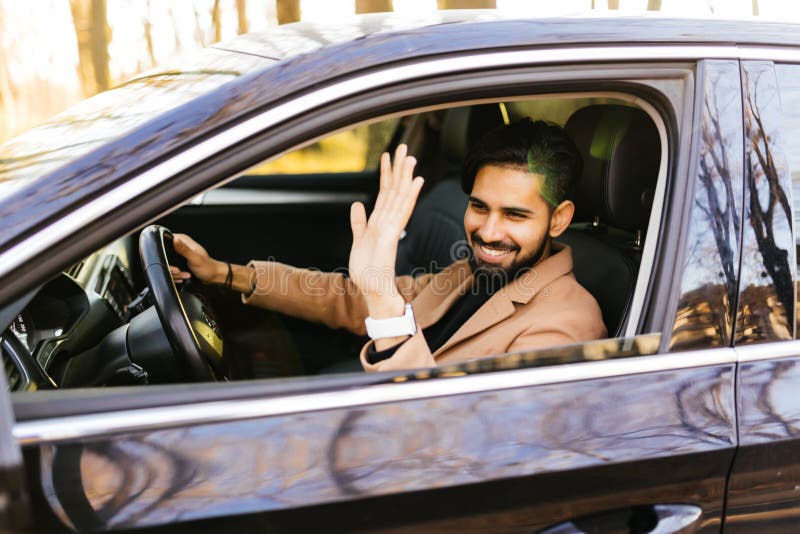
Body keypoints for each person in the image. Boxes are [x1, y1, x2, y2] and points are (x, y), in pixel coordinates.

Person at [171, 118, 606, 372]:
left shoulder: (568, 324)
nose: (489, 232)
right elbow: (349, 299)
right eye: (479, 207)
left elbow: (468, 441)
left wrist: (382, 298)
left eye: (515, 215)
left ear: (560, 219)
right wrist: (224, 274)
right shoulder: (470, 274)